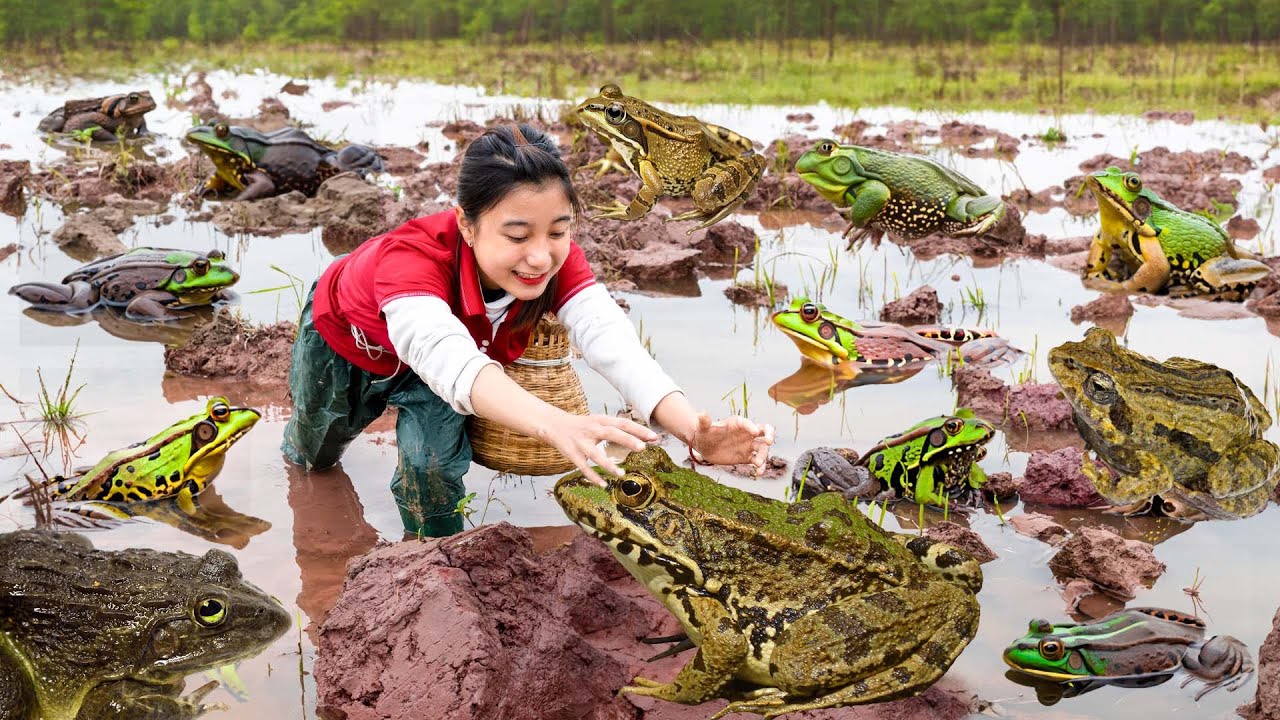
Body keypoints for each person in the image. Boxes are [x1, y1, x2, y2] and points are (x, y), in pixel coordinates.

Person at [282, 123, 775, 538]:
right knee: (315, 453)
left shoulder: (555, 263)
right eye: (517, 236)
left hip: (453, 365)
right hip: (348, 342)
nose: (541, 257)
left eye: (558, 232)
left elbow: (611, 340)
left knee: (433, 467)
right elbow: (443, 353)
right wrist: (556, 423)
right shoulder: (412, 260)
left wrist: (693, 431)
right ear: (467, 225)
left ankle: (429, 558)